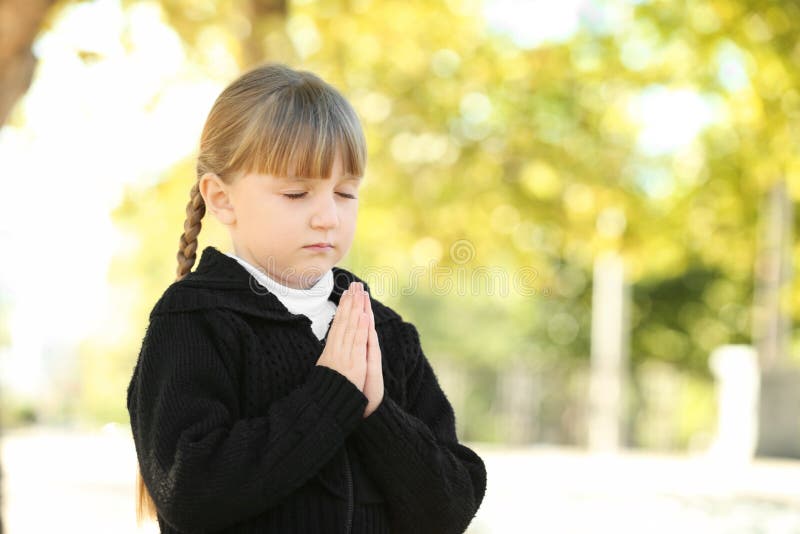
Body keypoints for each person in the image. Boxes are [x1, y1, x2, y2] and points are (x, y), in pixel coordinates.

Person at [126, 63, 487, 534]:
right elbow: (189, 493)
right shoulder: (194, 322)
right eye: (297, 193)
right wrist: (333, 394)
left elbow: (450, 508)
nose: (327, 218)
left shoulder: (385, 334)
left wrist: (377, 413)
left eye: (345, 193)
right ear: (221, 199)